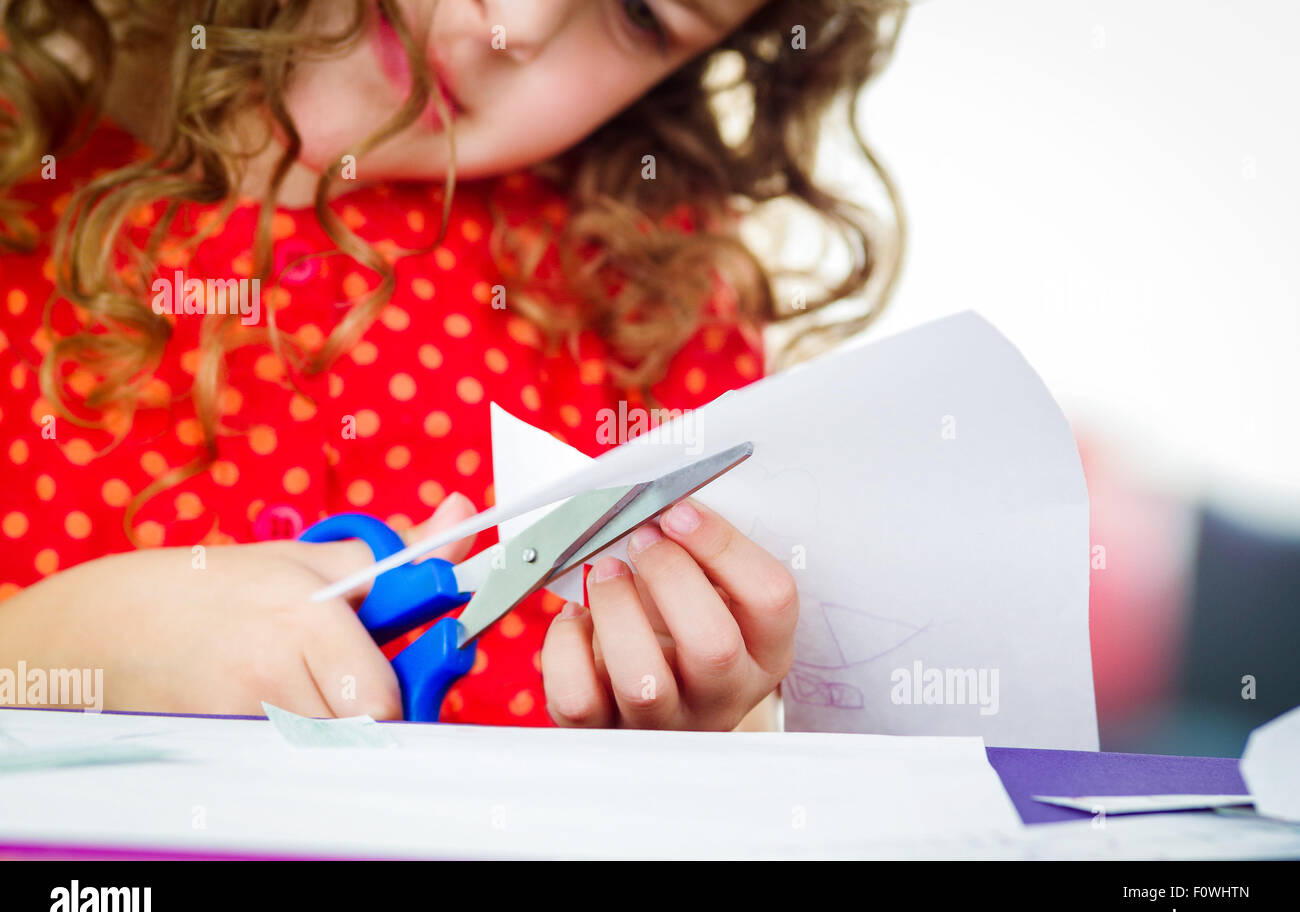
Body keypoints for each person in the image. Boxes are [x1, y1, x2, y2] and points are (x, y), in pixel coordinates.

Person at [0, 0, 904, 729]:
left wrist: (703, 741)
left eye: (638, 14)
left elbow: (741, 739)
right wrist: (56, 648)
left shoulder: (653, 303)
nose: (518, 23)